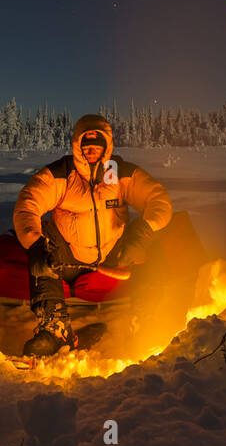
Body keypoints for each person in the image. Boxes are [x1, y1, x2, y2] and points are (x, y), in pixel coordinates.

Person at [13, 113, 173, 357]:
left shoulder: (120, 173)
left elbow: (158, 199)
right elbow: (27, 204)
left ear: (106, 147)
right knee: (42, 237)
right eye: (86, 147)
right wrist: (34, 242)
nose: (91, 152)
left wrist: (143, 231)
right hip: (68, 261)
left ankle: (147, 320)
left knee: (151, 241)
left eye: (97, 146)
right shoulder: (60, 174)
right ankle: (55, 328)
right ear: (77, 146)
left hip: (115, 256)